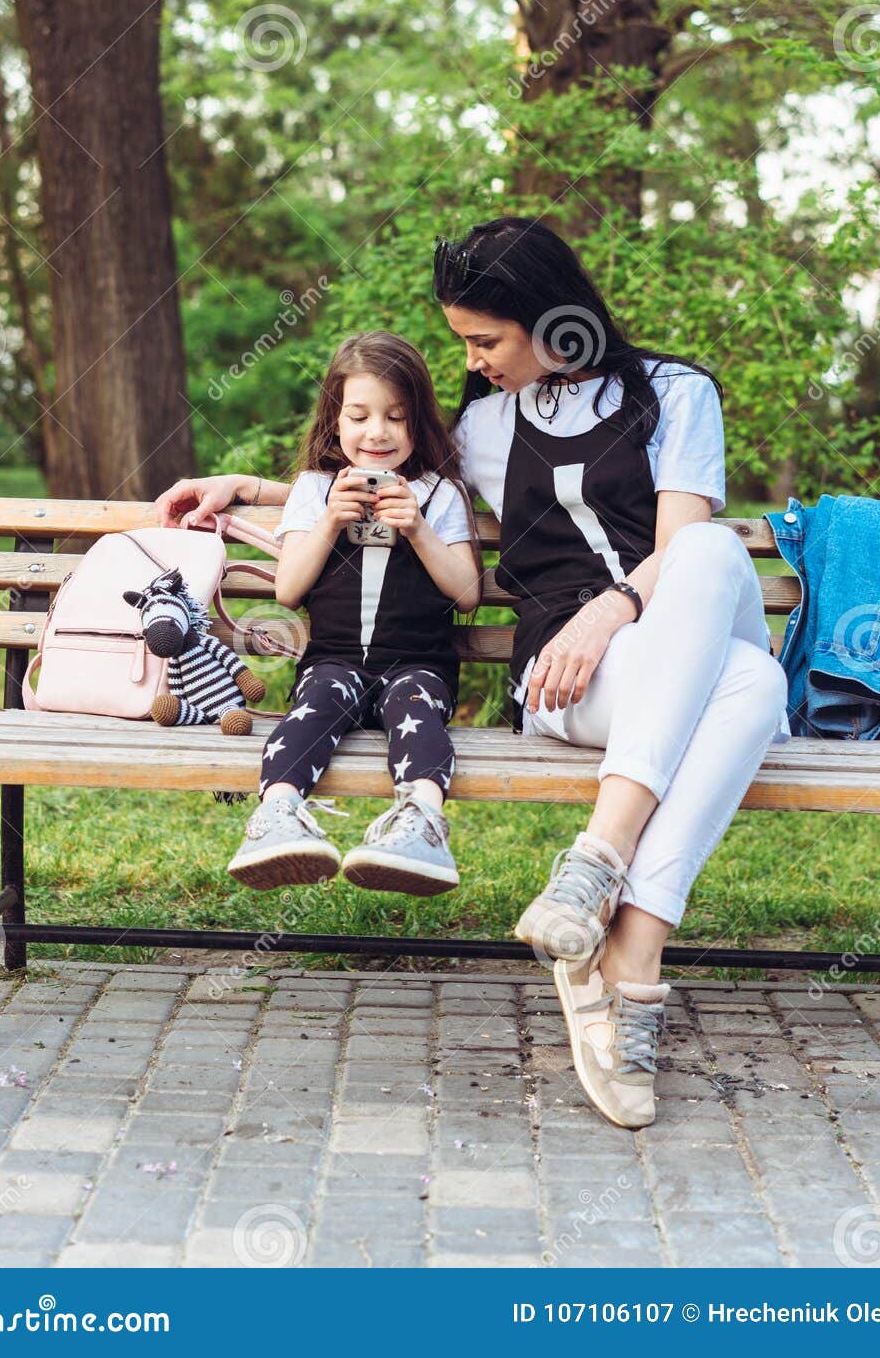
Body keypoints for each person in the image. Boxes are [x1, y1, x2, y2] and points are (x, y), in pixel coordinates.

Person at [430, 217, 790, 1128]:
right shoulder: (484, 422)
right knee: (754, 687)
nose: (473, 361)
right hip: (569, 681)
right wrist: (247, 492)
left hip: (668, 629)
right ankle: (631, 957)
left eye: (485, 339)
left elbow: (680, 554)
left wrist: (612, 606)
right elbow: (368, 462)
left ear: (549, 320)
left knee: (707, 550)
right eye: (463, 343)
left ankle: (595, 862)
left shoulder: (673, 393)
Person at [157, 332, 481, 897]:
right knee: (312, 707)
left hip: (419, 666)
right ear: (336, 421)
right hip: (332, 662)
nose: (376, 432)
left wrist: (418, 529)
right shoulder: (313, 492)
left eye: (395, 417)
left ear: (418, 423)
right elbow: (289, 589)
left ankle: (421, 825)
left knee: (417, 712)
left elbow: (468, 595)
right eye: (359, 415)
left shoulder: (440, 494)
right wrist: (329, 521)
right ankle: (277, 816)